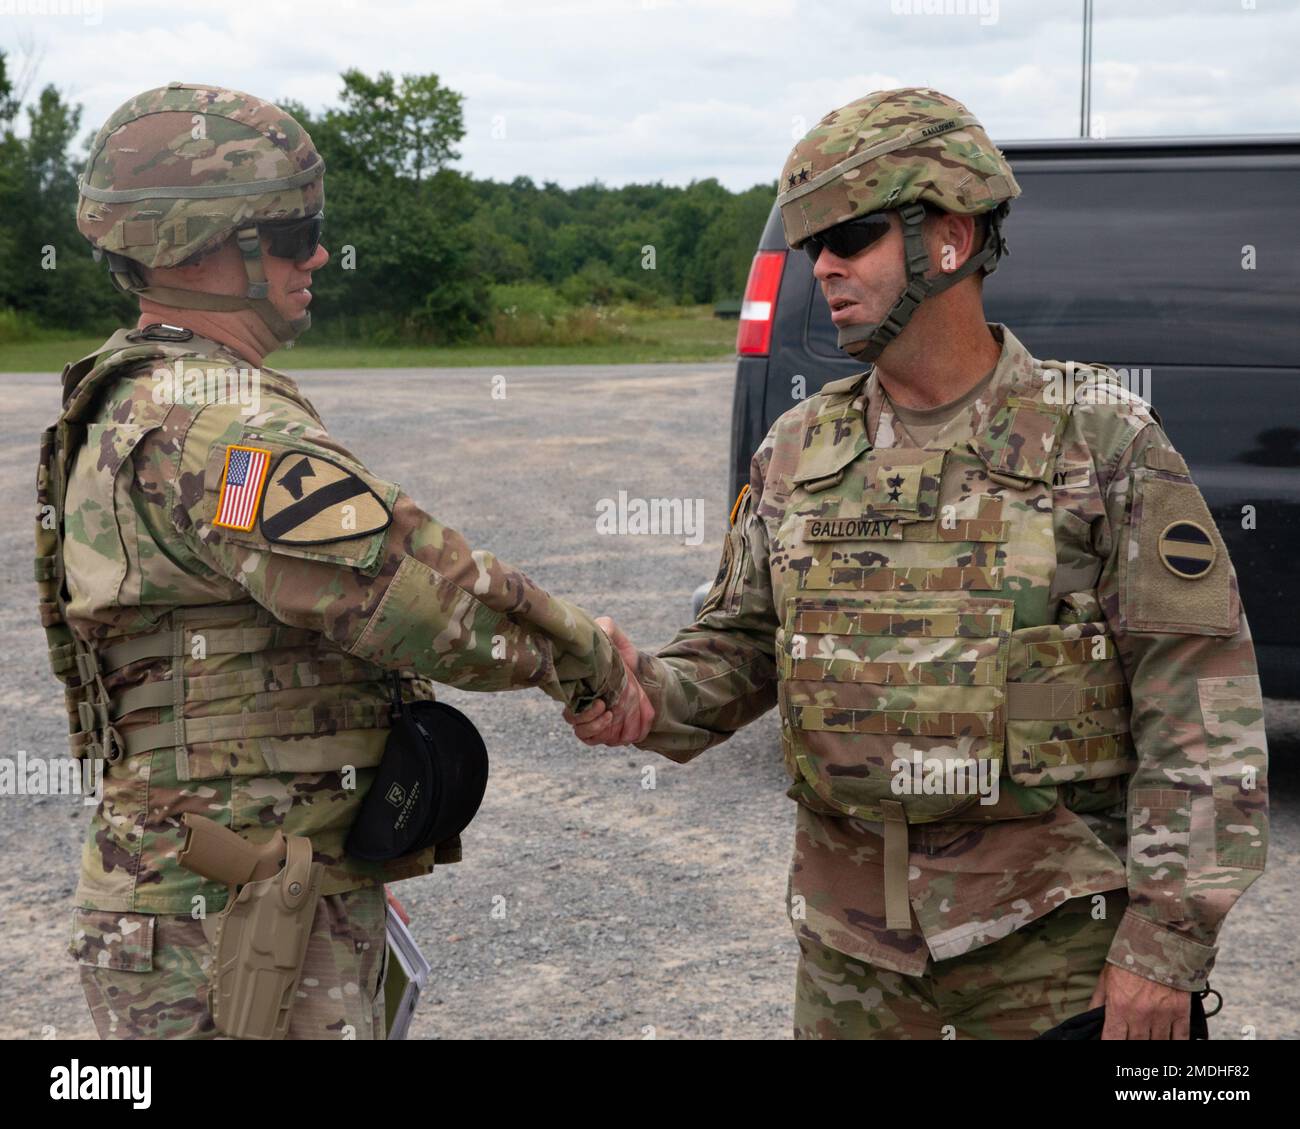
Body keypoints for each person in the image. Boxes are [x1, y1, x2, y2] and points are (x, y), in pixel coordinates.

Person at [567, 87, 1269, 1040]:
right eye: (813, 243)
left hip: (1054, 958)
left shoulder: (1101, 441)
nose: (824, 266)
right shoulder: (798, 450)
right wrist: (642, 688)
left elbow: (1200, 705)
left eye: (849, 235)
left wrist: (1165, 947)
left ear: (948, 235)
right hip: (853, 968)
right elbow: (738, 649)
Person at [39, 82, 649, 1040]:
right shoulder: (221, 425)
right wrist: (592, 662)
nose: (318, 252)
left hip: (216, 892)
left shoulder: (130, 396)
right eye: (295, 229)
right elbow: (418, 594)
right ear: (210, 243)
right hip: (235, 923)